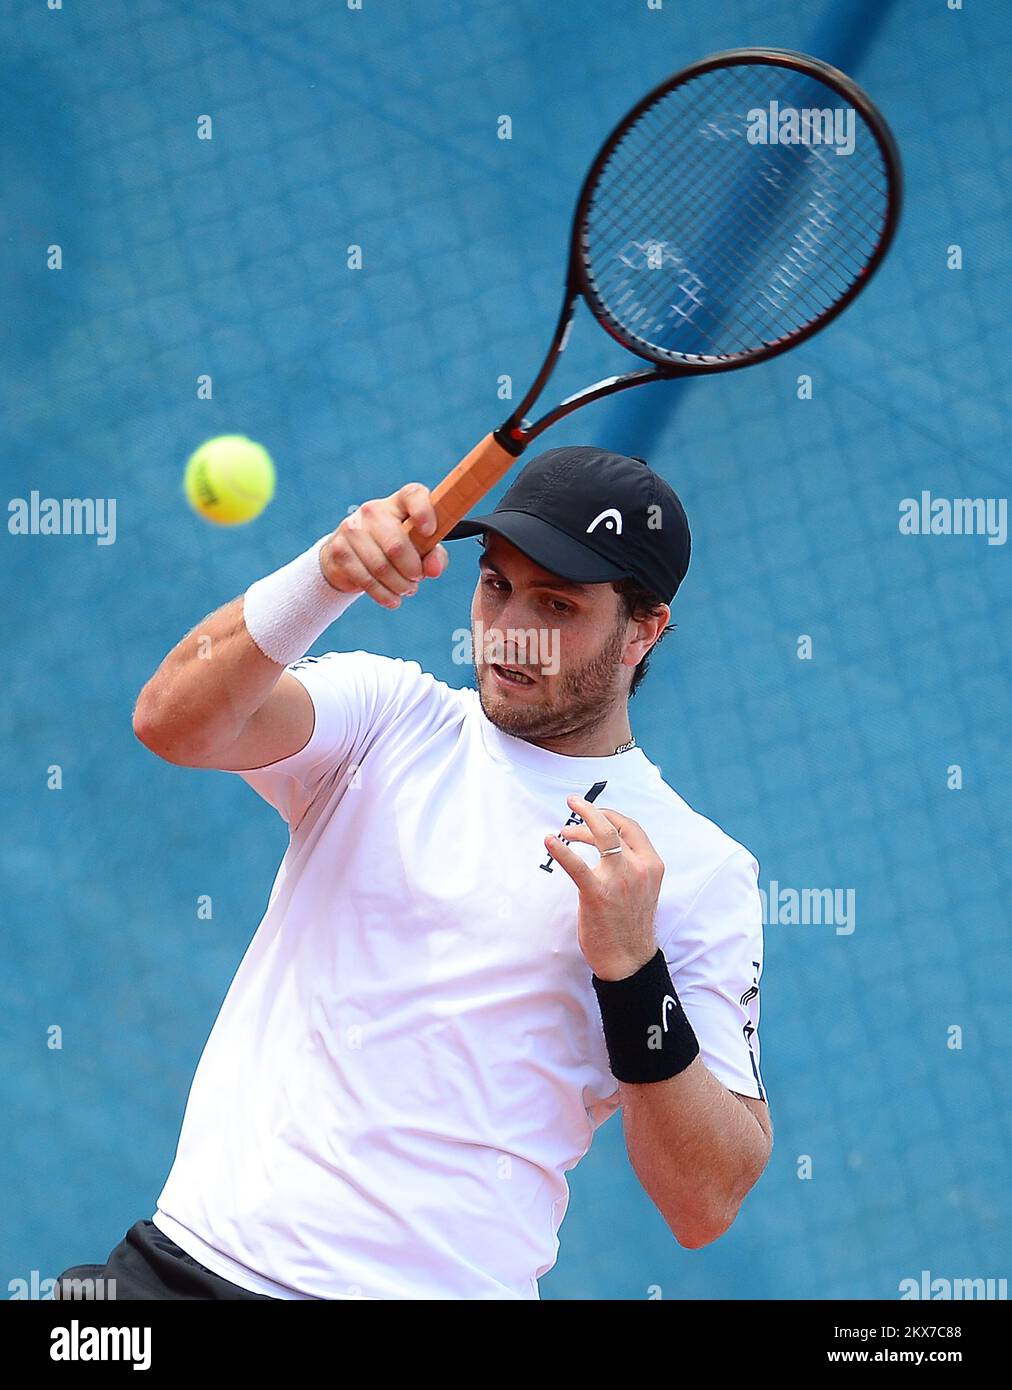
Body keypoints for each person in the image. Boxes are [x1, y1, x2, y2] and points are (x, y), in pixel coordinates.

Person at [55, 445, 771, 1301]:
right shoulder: (386, 714)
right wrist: (324, 575)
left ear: (644, 630)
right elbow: (173, 721)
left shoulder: (697, 868)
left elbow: (706, 1200)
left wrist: (631, 970)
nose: (510, 631)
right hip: (181, 1274)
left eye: (558, 604)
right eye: (497, 585)